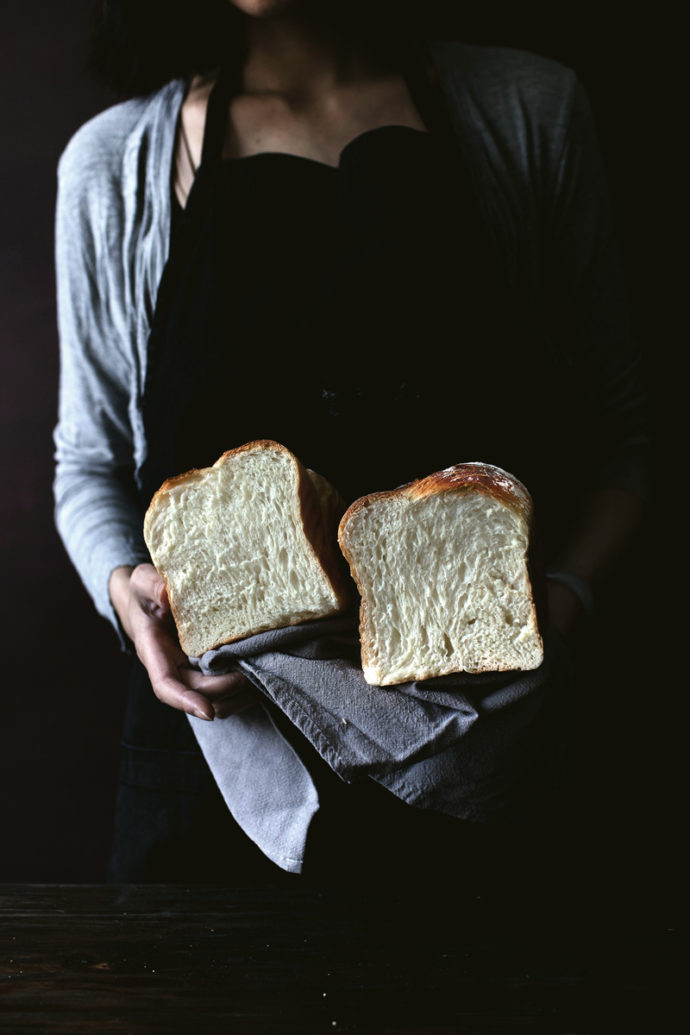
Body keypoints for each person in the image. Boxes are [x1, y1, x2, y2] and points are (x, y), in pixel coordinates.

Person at [54, 0, 649, 884]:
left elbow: (621, 438)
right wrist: (125, 589)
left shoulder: (528, 106)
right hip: (222, 764)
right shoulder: (115, 163)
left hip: (495, 760)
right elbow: (88, 464)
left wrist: (556, 608)